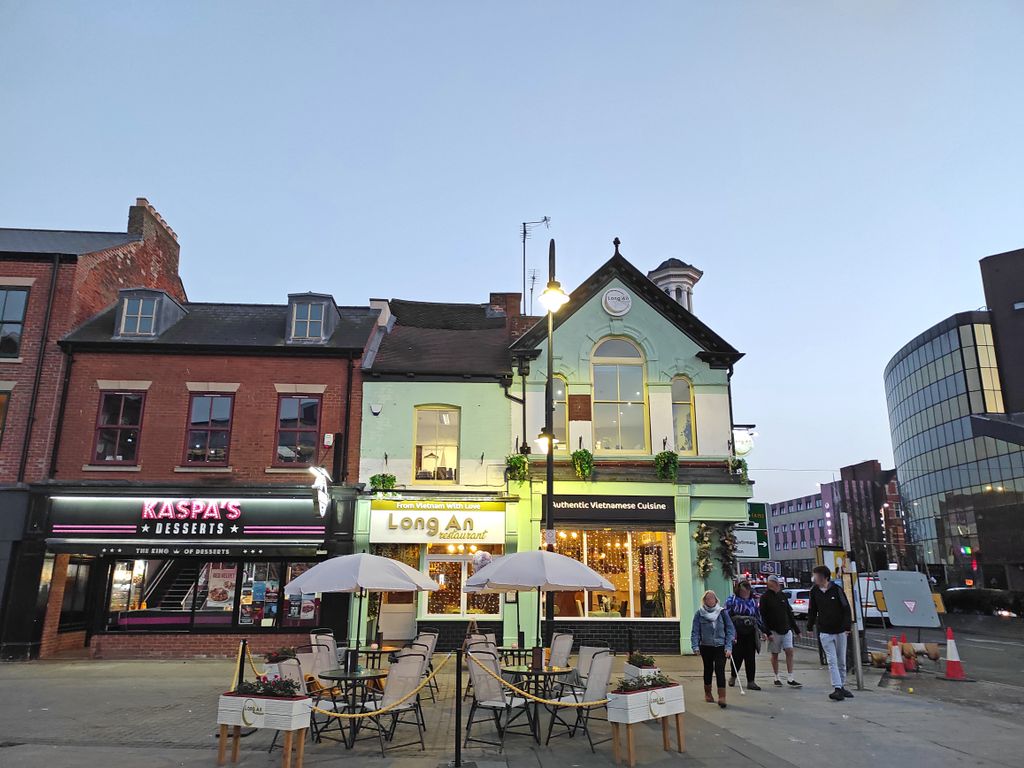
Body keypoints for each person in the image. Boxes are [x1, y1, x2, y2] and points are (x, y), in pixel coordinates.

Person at [806, 565, 853, 701]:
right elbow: (812, 610)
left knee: (841, 660)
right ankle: (837, 687)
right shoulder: (814, 591)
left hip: (840, 630)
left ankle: (842, 685)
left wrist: (846, 626)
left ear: (824, 577)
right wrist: (810, 626)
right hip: (825, 631)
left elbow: (846, 608)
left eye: (817, 576)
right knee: (832, 660)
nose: (814, 579)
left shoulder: (837, 590)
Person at [691, 589, 736, 708]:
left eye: (712, 598)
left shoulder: (722, 613)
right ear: (704, 601)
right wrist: (695, 646)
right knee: (708, 669)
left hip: (720, 646)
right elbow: (695, 631)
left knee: (720, 670)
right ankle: (708, 693)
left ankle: (722, 697)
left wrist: (729, 646)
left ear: (716, 600)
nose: (710, 600)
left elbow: (730, 630)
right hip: (706, 646)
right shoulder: (699, 613)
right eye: (707, 598)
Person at [757, 574, 802, 687]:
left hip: (786, 628)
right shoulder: (765, 597)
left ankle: (790, 677)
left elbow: (789, 613)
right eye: (772, 583)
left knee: (789, 651)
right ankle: (776, 677)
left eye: (776, 583)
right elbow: (763, 616)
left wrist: (796, 629)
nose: (775, 585)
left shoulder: (782, 596)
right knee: (775, 654)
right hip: (773, 630)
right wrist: (767, 632)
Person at [725, 580, 763, 690]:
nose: (745, 593)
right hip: (737, 631)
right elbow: (726, 615)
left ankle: (751, 681)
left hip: (750, 632)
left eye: (747, 591)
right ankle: (733, 676)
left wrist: (763, 630)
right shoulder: (732, 600)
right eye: (743, 591)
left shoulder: (753, 601)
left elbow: (758, 616)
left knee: (750, 657)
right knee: (737, 656)